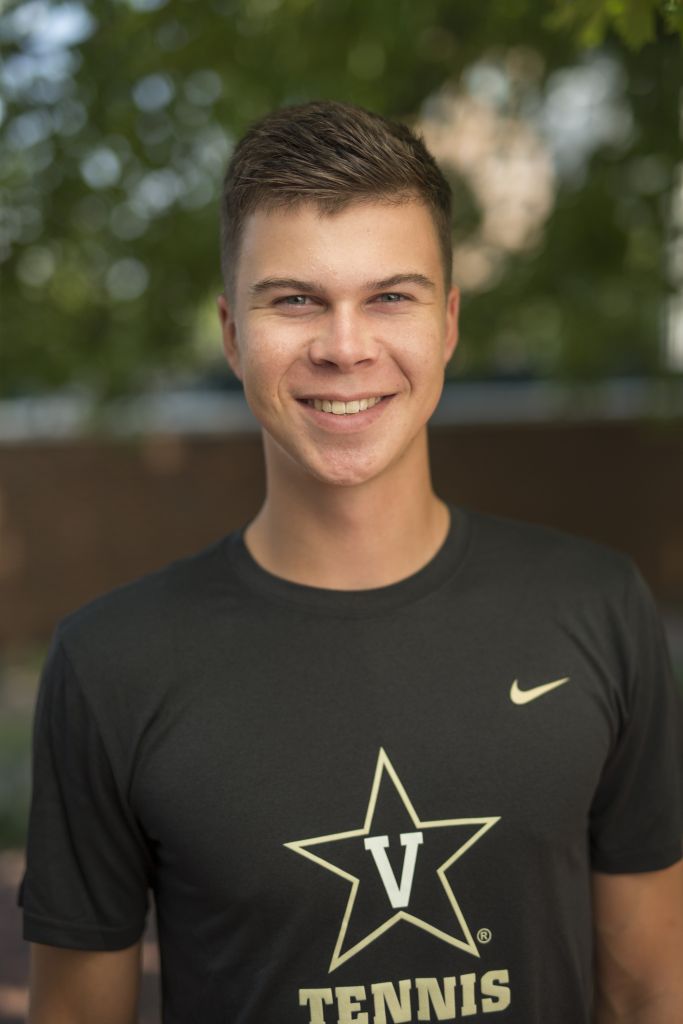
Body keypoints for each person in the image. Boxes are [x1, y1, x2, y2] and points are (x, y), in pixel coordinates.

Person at [18, 100, 683, 1024]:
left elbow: (650, 990)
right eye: (294, 300)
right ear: (230, 333)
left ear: (447, 324)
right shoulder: (112, 664)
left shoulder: (597, 607)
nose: (344, 346)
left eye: (389, 297)